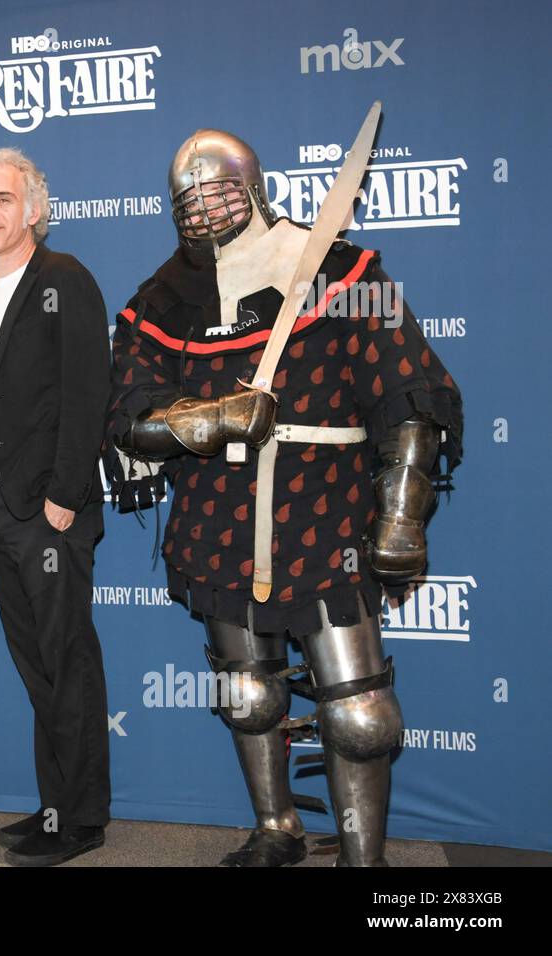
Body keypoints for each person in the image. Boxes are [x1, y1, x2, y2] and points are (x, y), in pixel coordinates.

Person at [107, 129, 463, 866]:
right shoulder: (163, 298)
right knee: (248, 693)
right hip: (218, 515)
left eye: (220, 192)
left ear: (255, 188)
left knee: (361, 714)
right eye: (190, 199)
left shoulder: (335, 267)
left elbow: (408, 393)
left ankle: (366, 862)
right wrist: (209, 417)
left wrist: (400, 515)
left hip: (323, 509)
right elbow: (129, 411)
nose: (205, 209)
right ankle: (277, 828)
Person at [0, 147, 113, 866]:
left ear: (33, 210)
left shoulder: (63, 279)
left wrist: (64, 495)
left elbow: (87, 391)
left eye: (1, 200)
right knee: (38, 670)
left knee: (66, 662)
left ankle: (83, 820)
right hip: (0, 508)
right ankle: (55, 809)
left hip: (47, 511)